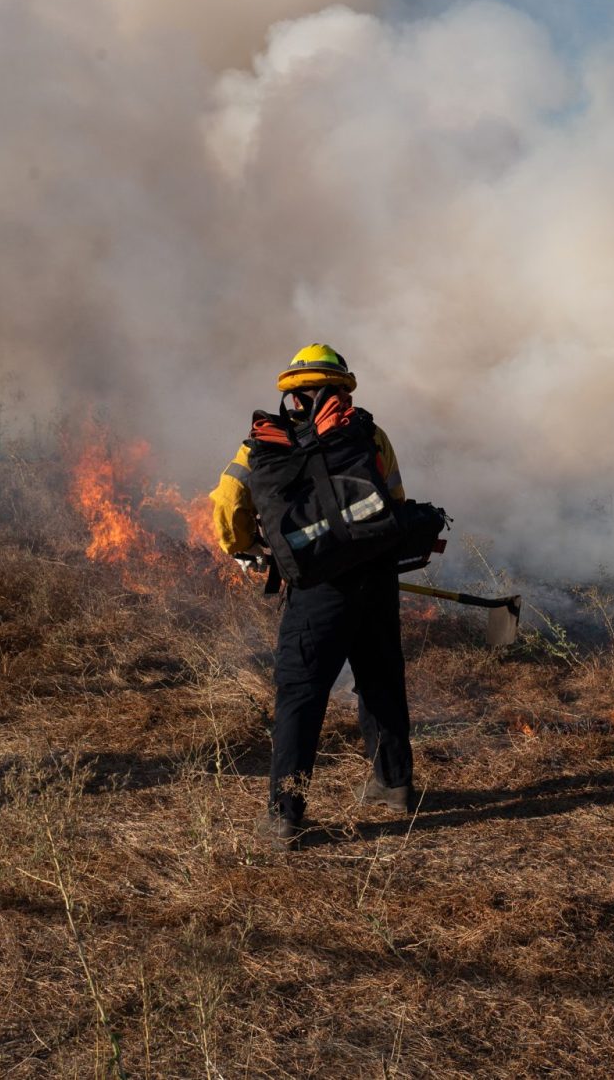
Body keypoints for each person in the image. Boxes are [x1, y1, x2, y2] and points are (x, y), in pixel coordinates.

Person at [210, 343, 416, 849]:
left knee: (300, 693)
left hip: (317, 588)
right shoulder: (370, 433)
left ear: (291, 392)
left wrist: (247, 549)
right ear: (342, 387)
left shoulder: (260, 443)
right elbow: (395, 504)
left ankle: (284, 816)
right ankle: (394, 784)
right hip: (375, 578)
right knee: (380, 677)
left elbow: (227, 504)